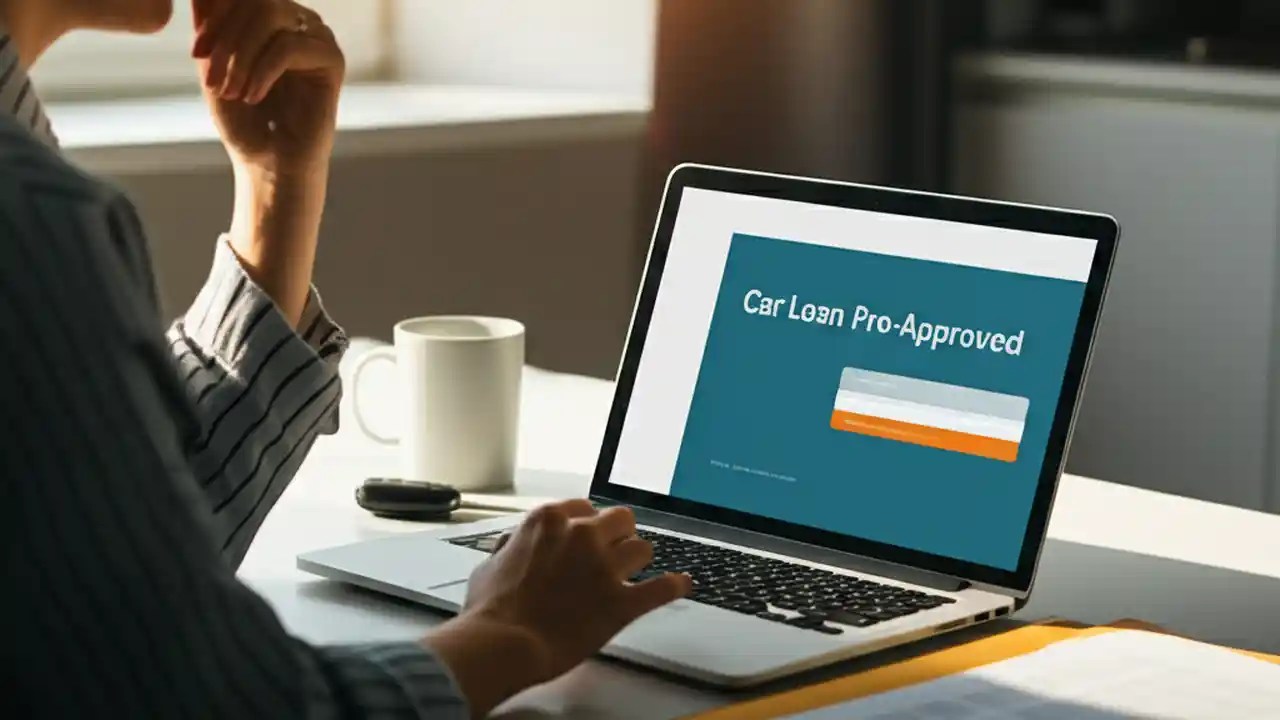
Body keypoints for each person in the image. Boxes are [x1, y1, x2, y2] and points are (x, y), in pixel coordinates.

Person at [0, 0, 690, 717]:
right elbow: (224, 704)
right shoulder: (33, 216)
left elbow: (120, 548)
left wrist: (278, 183)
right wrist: (511, 635)